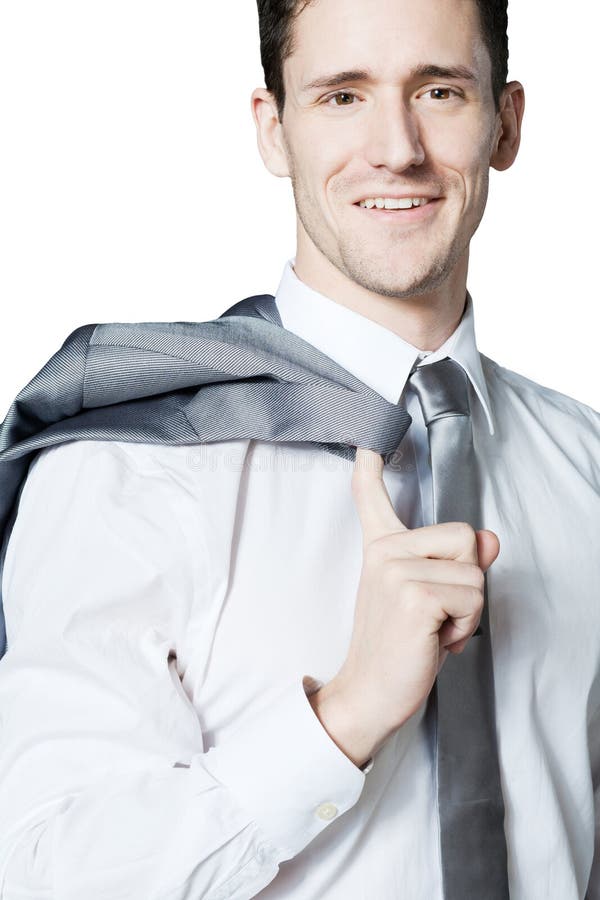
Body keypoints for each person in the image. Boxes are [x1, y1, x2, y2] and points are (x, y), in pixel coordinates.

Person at [0, 0, 598, 897]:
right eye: (341, 96)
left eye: (438, 89)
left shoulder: (585, 464)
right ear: (273, 130)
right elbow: (47, 873)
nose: (397, 147)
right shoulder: (128, 468)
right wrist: (344, 715)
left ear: (506, 122)